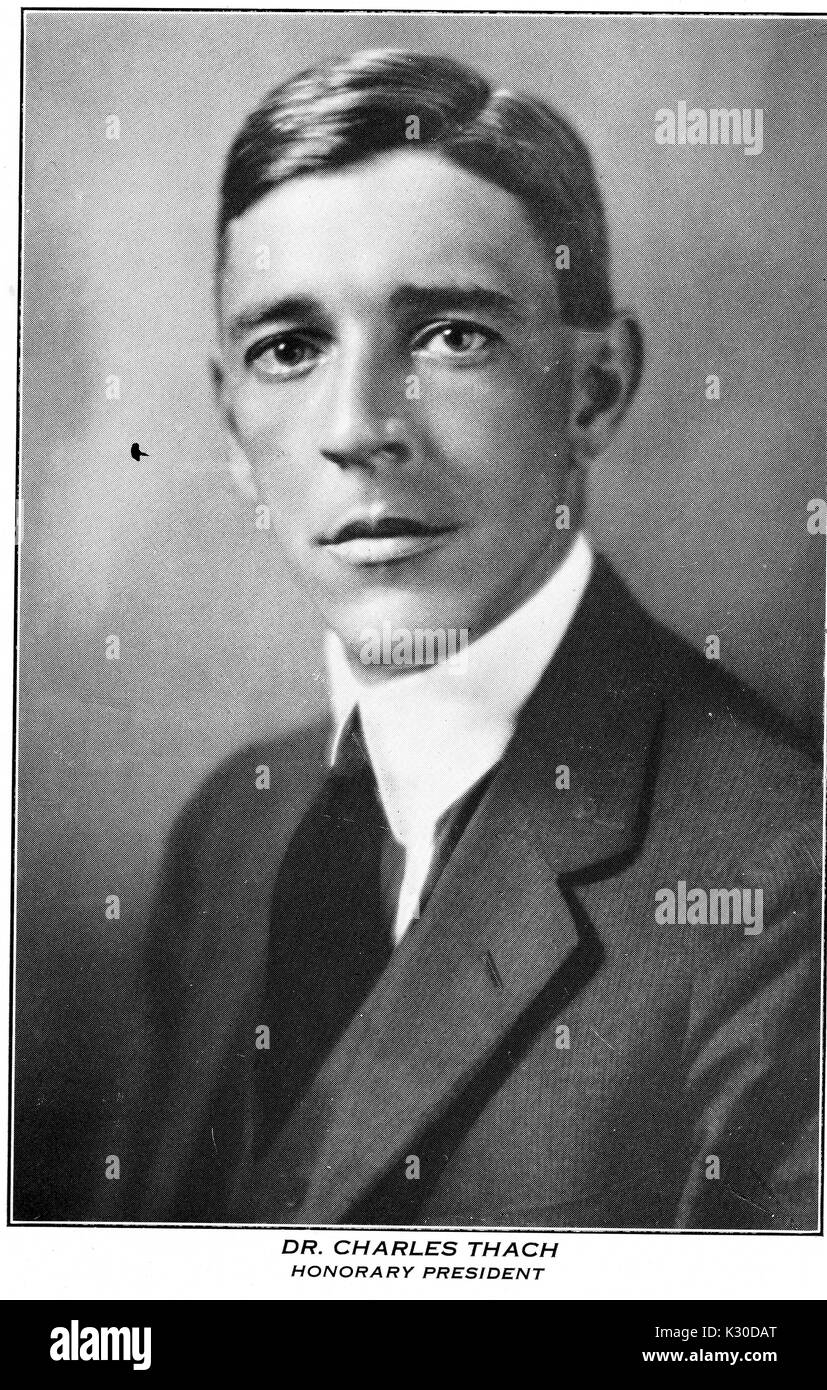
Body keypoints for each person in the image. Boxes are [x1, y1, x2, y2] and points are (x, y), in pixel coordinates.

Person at [105, 49, 821, 1229]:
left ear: (593, 390)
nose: (356, 429)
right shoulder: (230, 827)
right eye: (289, 348)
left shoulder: (779, 882)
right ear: (231, 423)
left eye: (447, 335)